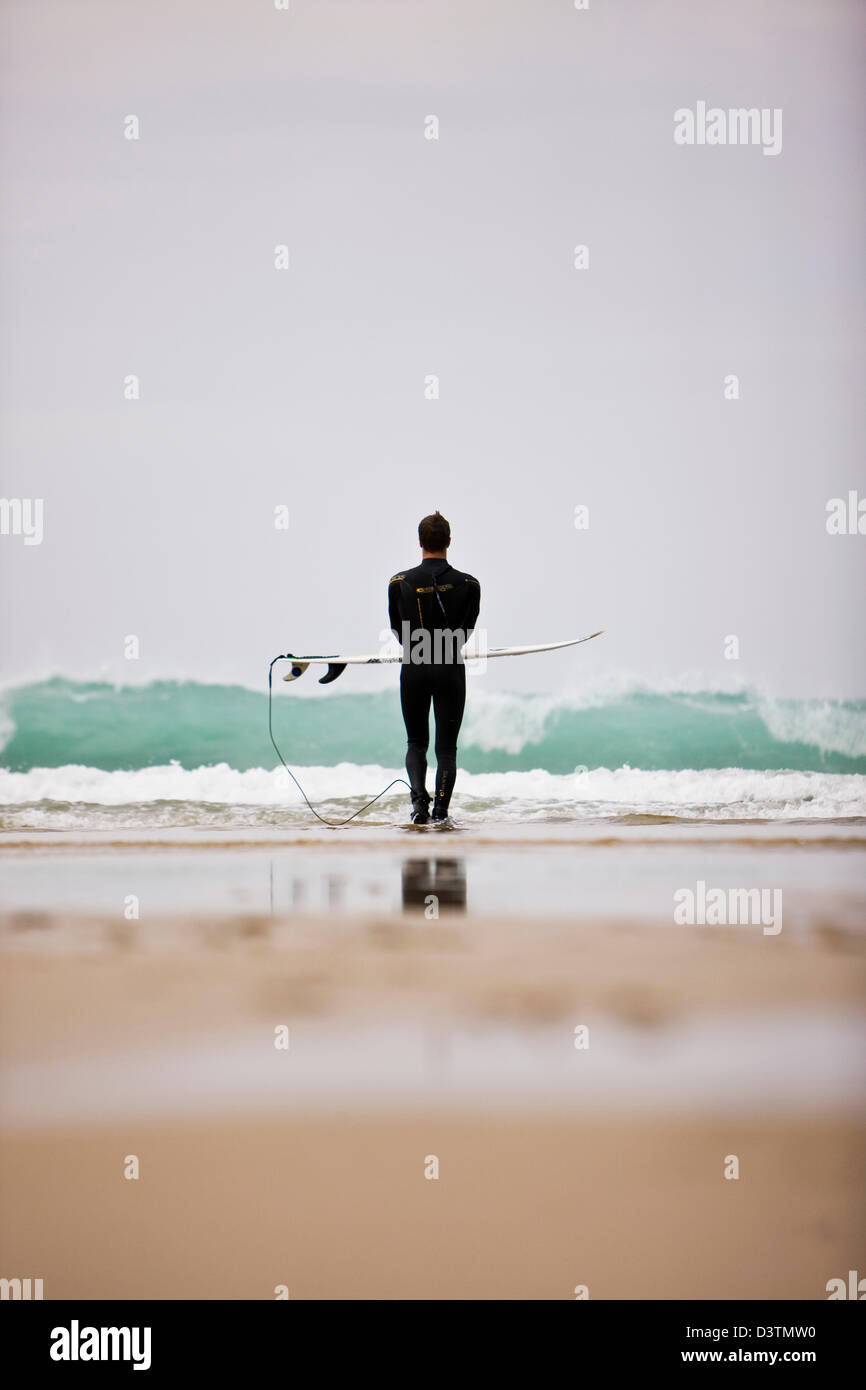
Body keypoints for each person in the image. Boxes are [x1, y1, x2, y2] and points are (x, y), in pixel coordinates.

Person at [388, 512, 481, 824]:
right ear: (449, 542)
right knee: (446, 750)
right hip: (449, 667)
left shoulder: (399, 583)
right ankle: (440, 812)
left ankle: (419, 806)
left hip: (413, 665)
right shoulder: (470, 584)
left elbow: (398, 631)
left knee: (416, 743)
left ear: (419, 542)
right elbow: (466, 631)